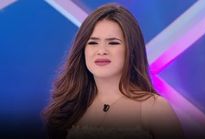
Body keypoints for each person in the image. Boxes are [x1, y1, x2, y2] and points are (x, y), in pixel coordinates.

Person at [43, 3, 184, 139]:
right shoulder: (71, 107)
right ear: (82, 50)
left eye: (113, 43)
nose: (101, 51)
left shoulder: (154, 107)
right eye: (93, 43)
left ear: (131, 50)